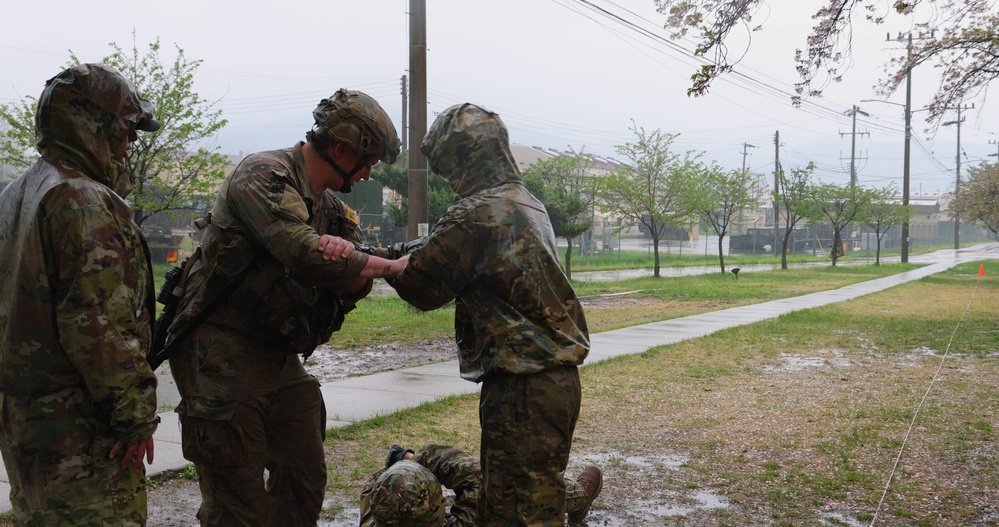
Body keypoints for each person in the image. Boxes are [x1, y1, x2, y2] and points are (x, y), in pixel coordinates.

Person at [162, 88, 408, 526]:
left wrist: (351, 264)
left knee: (303, 476)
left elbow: (351, 278)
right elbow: (301, 251)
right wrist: (381, 265)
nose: (369, 175)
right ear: (341, 150)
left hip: (276, 353)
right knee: (238, 502)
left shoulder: (331, 208)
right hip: (219, 351)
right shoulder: (262, 174)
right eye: (367, 163)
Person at [387, 103, 592, 525]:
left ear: (463, 157)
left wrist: (372, 262)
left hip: (522, 385)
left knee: (511, 513)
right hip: (554, 382)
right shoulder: (526, 203)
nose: (448, 177)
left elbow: (422, 285)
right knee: (535, 505)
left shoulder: (478, 211)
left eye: (447, 166)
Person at [0, 63, 161, 525]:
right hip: (79, 432)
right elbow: (98, 322)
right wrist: (134, 414)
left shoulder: (18, 192)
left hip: (26, 423)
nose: (129, 146)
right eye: (126, 132)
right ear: (93, 125)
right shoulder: (80, 198)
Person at [359, 444, 603, 527]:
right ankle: (580, 496)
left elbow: (376, 485)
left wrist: (401, 471)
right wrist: (415, 459)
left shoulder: (372, 515)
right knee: (513, 492)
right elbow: (477, 477)